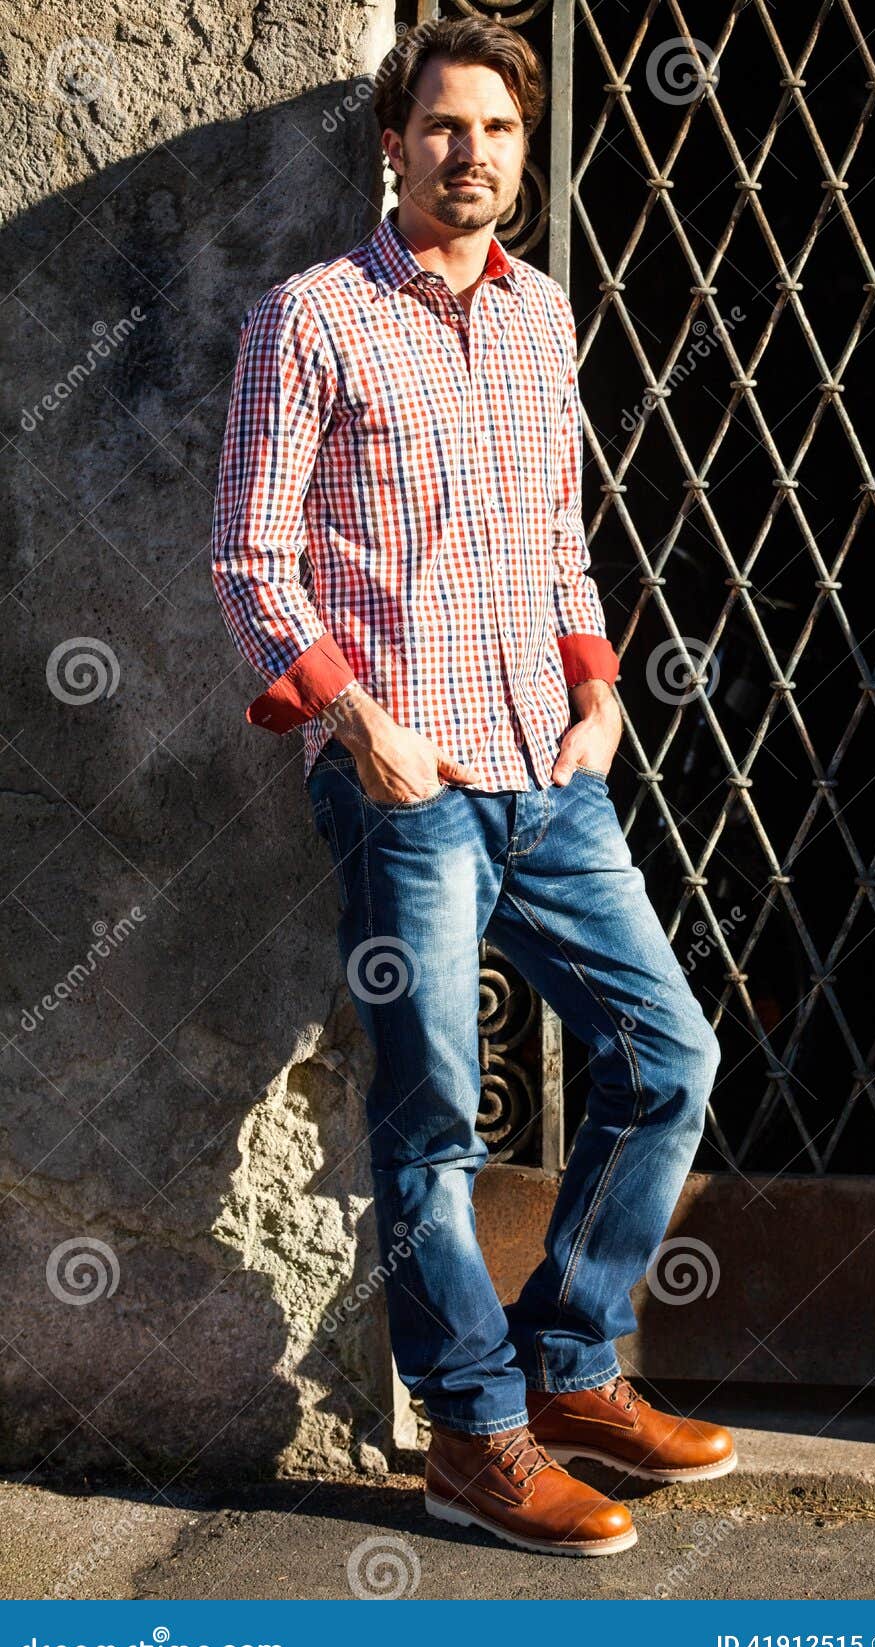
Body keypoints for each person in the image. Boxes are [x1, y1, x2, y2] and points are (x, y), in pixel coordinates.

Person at [210, 15, 734, 1558]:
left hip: (547, 763)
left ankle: (570, 1364)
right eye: (444, 127)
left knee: (671, 1056)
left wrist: (599, 682)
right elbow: (252, 557)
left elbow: (556, 532)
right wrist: (357, 727)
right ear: (394, 139)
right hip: (406, 774)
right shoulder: (309, 319)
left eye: (499, 132)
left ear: (525, 147)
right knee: (434, 1116)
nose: (473, 155)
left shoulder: (543, 317)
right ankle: (473, 1436)